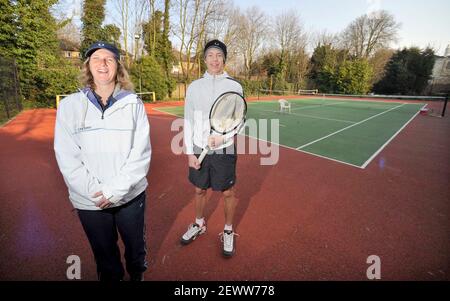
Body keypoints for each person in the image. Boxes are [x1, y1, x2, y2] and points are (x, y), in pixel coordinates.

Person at [54, 41, 151, 281]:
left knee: (136, 254)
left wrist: (114, 190)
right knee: (106, 261)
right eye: (97, 58)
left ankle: (136, 274)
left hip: (130, 196)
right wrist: (96, 192)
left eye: (109, 58)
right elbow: (66, 157)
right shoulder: (68, 106)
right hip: (90, 201)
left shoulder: (134, 104)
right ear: (88, 65)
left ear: (118, 66)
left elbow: (141, 154)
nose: (103, 63)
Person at [181, 39, 243, 257]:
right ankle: (199, 224)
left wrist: (224, 136)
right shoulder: (195, 87)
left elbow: (239, 119)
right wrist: (190, 152)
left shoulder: (235, 86)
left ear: (224, 58)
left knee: (227, 191)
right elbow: (188, 119)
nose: (214, 59)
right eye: (210, 55)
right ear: (205, 59)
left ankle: (227, 230)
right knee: (199, 189)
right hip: (199, 148)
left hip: (224, 149)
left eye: (218, 55)